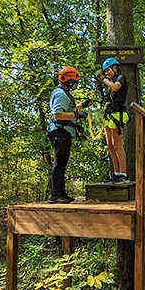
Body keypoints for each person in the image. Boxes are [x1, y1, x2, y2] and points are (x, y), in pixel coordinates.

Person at [46, 66, 90, 203]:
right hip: (60, 131)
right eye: (75, 81)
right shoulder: (60, 94)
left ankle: (60, 194)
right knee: (59, 163)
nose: (76, 84)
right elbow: (58, 114)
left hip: (64, 132)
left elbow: (68, 109)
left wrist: (82, 106)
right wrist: (77, 114)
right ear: (70, 81)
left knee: (62, 163)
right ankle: (56, 195)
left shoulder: (63, 93)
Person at [100, 57, 129, 182]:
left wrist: (103, 79)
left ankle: (123, 173)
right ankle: (116, 173)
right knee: (110, 146)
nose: (108, 73)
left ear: (115, 67)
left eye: (109, 70)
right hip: (108, 115)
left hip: (117, 115)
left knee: (117, 145)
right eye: (106, 72)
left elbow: (116, 88)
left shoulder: (120, 78)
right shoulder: (109, 83)